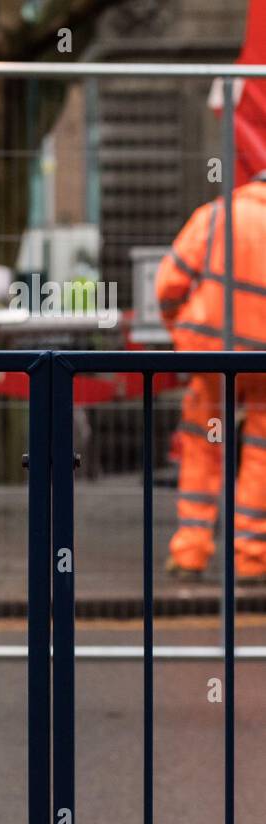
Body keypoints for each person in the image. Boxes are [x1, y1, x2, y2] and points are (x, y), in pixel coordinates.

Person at [157, 168, 266, 582]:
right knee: (261, 452)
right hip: (263, 360)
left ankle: (190, 553)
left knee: (204, 446)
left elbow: (169, 283)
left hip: (211, 356)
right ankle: (253, 558)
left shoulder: (218, 215)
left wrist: (180, 328)